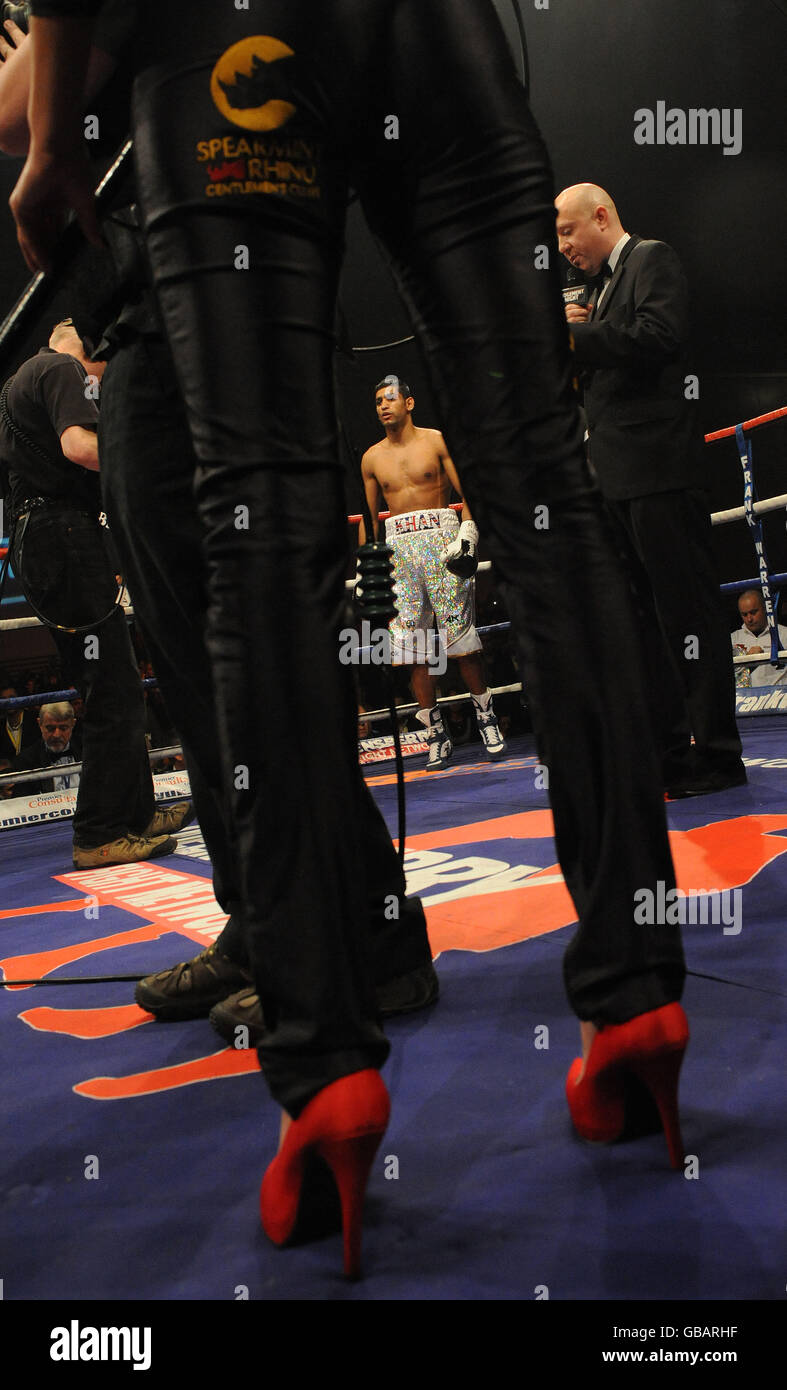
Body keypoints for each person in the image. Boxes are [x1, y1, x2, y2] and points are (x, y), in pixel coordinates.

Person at [13, 1, 689, 1278]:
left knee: (258, 530)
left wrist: (48, 139)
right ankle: (639, 991)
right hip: (438, 33)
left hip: (228, 40)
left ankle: (323, 1073)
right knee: (544, 480)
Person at [556, 182, 746, 799]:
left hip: (661, 471)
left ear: (601, 216)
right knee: (641, 625)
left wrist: (578, 339)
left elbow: (659, 338)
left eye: (567, 231)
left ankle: (717, 755)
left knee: (687, 615)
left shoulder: (650, 258)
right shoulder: (595, 290)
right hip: (613, 477)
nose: (562, 248)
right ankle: (668, 752)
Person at [0, 318, 189, 864]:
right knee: (111, 684)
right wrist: (149, 463)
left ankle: (135, 812)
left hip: (46, 539)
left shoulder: (17, 384)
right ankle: (101, 830)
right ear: (91, 345)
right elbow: (80, 445)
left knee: (116, 679)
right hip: (62, 537)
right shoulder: (61, 368)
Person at [360, 377, 507, 769]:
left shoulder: (436, 440)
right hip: (400, 550)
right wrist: (366, 568)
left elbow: (467, 494)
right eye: (377, 402)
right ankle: (436, 733)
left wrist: (468, 532)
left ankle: (486, 717)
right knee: (412, 650)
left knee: (462, 640)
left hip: (442, 540)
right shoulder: (372, 458)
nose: (382, 407)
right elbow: (371, 518)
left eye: (389, 399)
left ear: (409, 402)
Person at [4, 699, 82, 794]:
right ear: (39, 724)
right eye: (50, 728)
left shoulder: (87, 751)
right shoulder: (26, 761)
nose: (56, 735)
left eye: (63, 728)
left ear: (73, 724)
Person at [731, 589, 787, 687]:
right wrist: (746, 661)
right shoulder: (733, 638)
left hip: (778, 699)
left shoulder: (784, 634)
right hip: (744, 700)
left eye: (753, 612)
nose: (749, 619)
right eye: (744, 614)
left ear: (765, 608)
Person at [0, 680, 39, 763]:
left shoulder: (34, 720)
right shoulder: (1, 726)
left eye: (12, 697)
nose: (8, 702)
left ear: (19, 698)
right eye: (3, 699)